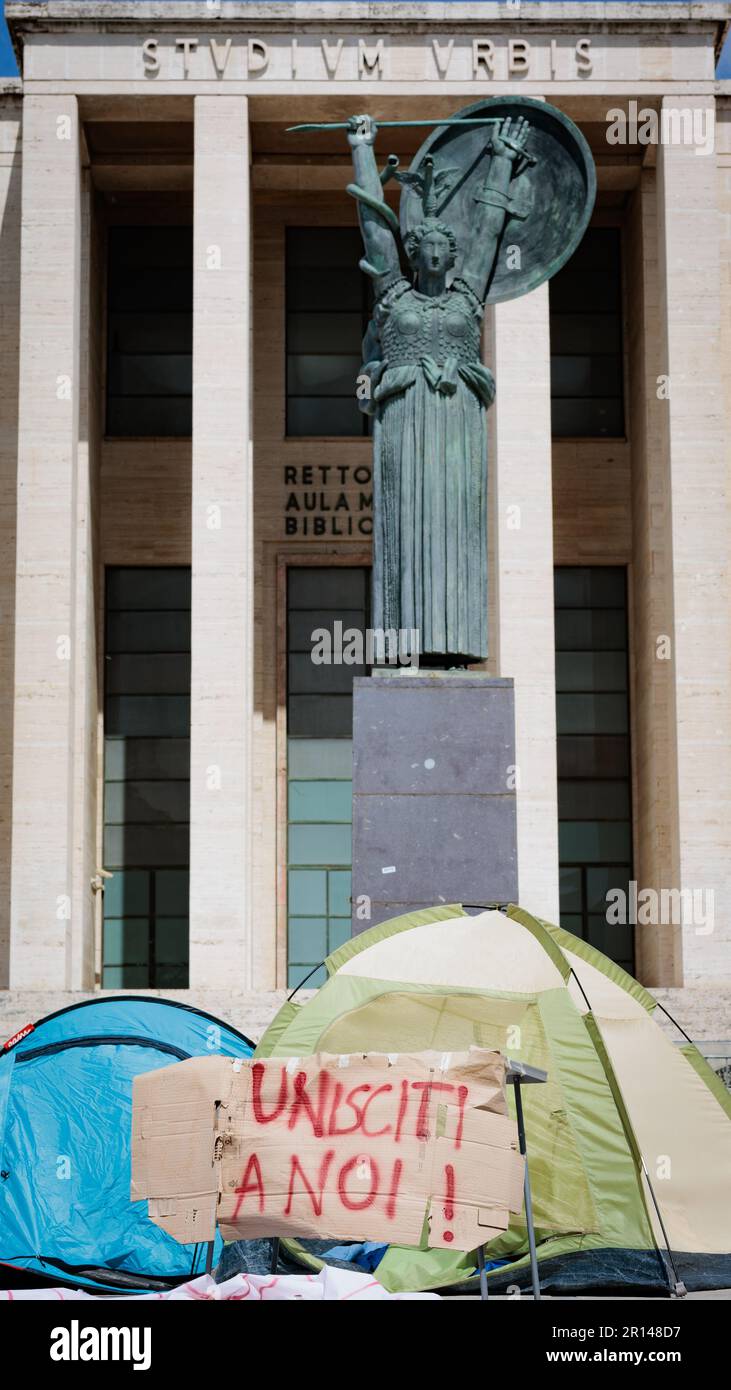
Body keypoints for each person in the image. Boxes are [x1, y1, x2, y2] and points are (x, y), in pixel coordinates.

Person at [346, 112, 532, 663]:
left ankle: (454, 643)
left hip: (455, 421)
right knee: (404, 521)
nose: (429, 248)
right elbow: (373, 224)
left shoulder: (468, 298)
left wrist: (500, 159)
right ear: (410, 250)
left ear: (452, 255)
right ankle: (403, 644)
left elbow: (491, 229)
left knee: (455, 529)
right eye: (420, 241)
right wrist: (362, 149)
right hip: (403, 419)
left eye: (439, 244)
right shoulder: (393, 297)